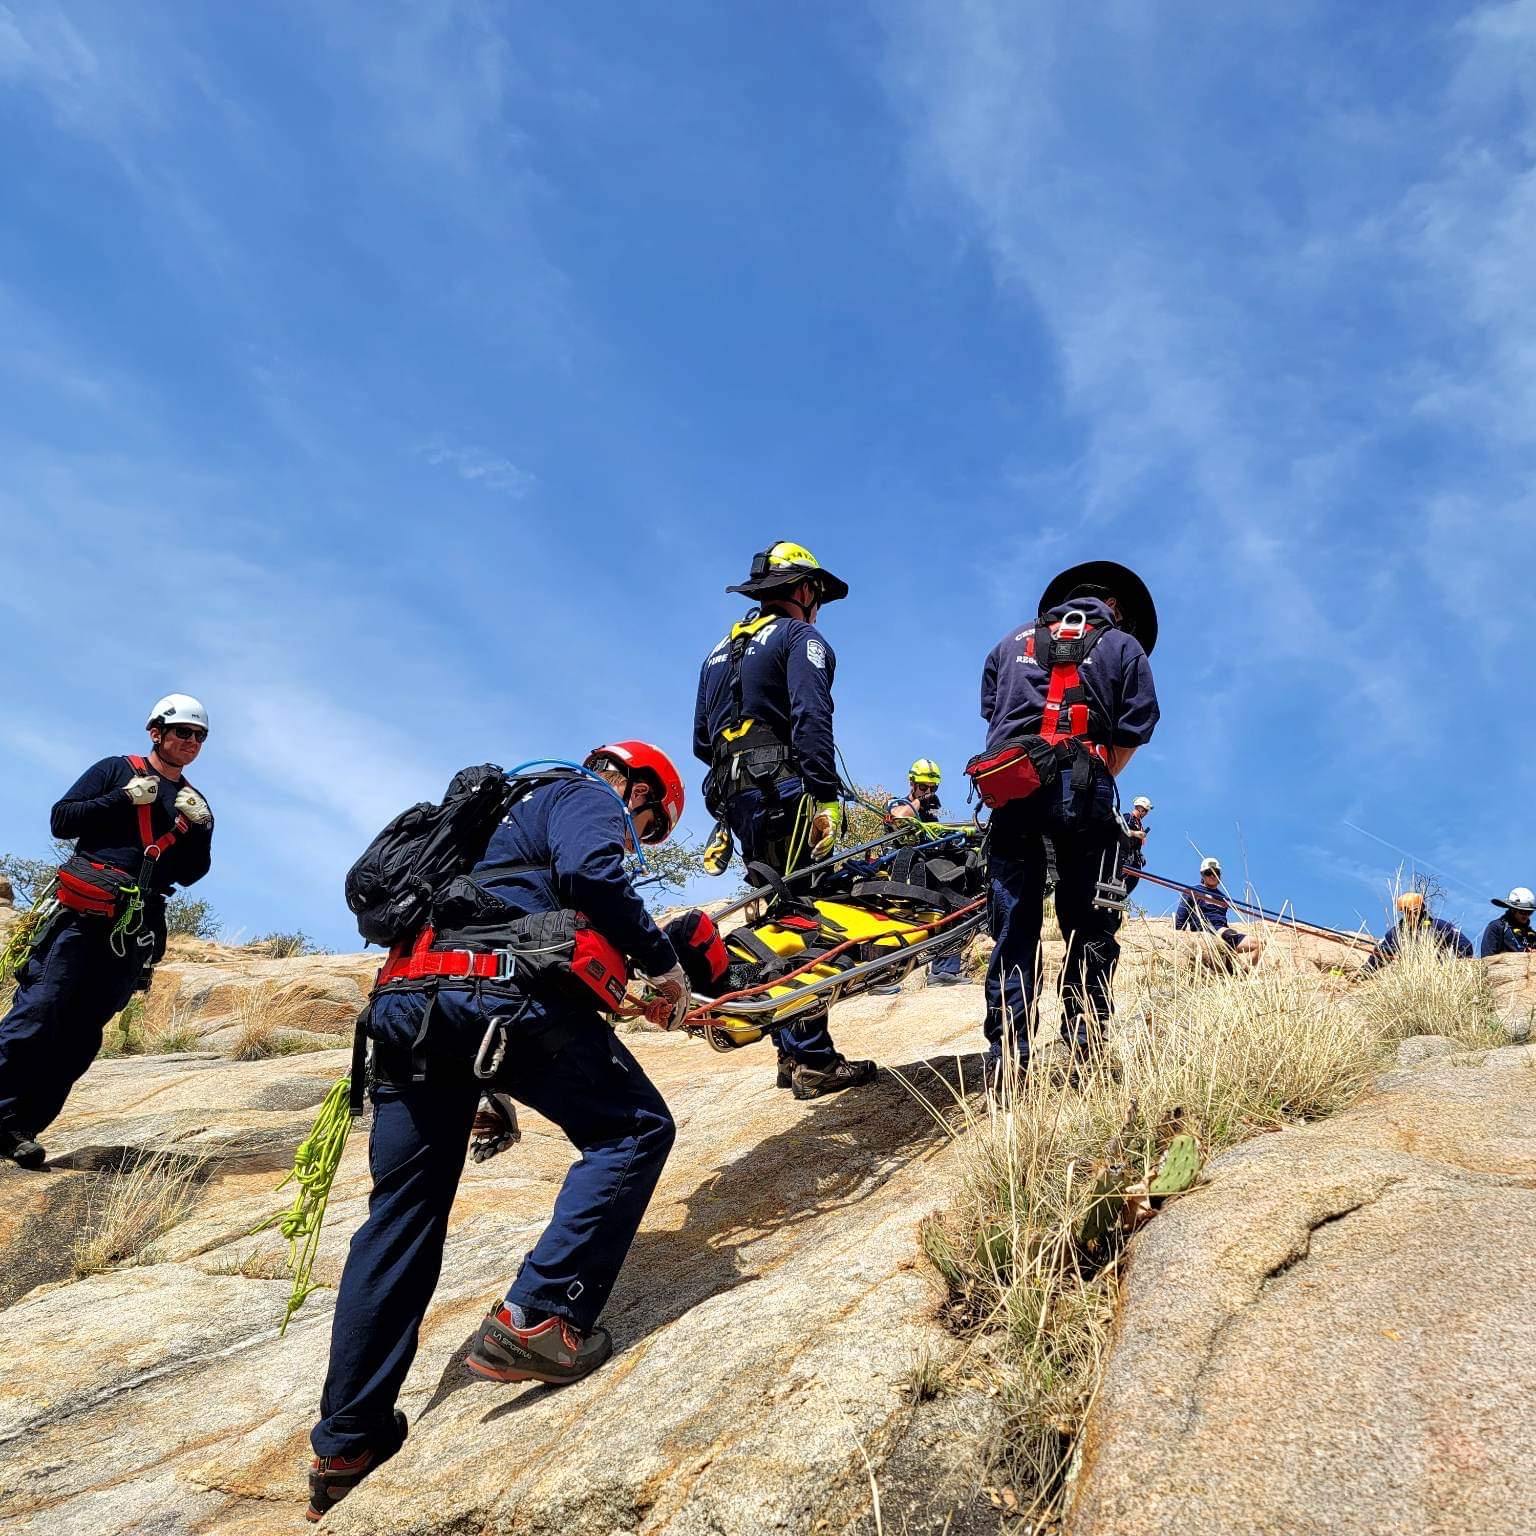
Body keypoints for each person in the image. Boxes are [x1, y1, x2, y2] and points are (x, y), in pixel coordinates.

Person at [307, 741, 691, 1521]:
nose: (636, 840)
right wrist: (664, 965)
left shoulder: (480, 820)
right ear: (639, 790)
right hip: (493, 999)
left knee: (401, 1219)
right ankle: (543, 1317)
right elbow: (591, 874)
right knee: (635, 1130)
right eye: (646, 827)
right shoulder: (586, 793)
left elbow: (486, 918)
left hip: (405, 1011)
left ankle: (347, 1442)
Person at [693, 541, 875, 1100]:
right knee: (806, 915)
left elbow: (703, 741)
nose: (818, 605)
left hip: (736, 794)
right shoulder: (802, 639)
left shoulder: (720, 650)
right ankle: (813, 1060)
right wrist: (823, 794)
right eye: (816, 594)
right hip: (786, 788)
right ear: (803, 590)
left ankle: (792, 1055)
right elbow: (811, 715)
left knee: (777, 911)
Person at [0, 695, 214, 1170]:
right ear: (156, 731)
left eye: (199, 736)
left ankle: (21, 1129)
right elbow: (62, 820)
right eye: (182, 732)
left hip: (133, 927)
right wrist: (121, 799)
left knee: (82, 1033)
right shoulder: (117, 770)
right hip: (81, 913)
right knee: (39, 1008)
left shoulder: (192, 803)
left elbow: (193, 873)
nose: (191, 742)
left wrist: (200, 827)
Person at [978, 560, 1160, 1079]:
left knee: (1015, 924)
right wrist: (1096, 767)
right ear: (1116, 608)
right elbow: (1137, 723)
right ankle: (1084, 1044)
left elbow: (996, 714)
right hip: (1087, 793)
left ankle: (1007, 1058)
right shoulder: (1124, 647)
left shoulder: (1008, 643)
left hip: (1011, 789)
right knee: (1090, 920)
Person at [1364, 891, 1473, 970]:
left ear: (1422, 908)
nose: (1412, 914)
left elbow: (1464, 944)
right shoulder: (1396, 933)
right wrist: (1365, 972)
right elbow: (1381, 953)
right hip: (1409, 976)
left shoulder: (1439, 926)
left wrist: (1461, 964)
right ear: (1403, 912)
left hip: (1439, 971)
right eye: (1407, 911)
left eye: (1415, 910)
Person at [1173, 857, 1259, 957]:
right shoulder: (1192, 891)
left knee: (1257, 944)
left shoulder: (1223, 898)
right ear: (1202, 875)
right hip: (1204, 930)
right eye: (1208, 872)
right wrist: (1179, 938)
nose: (1213, 875)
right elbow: (1181, 916)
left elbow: (1222, 919)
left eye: (1216, 872)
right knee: (1229, 934)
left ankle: (1244, 971)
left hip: (1224, 933)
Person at [1479, 887, 1535, 957]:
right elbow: (1486, 958)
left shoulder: (1532, 935)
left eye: (1530, 912)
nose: (1526, 915)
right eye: (1523, 911)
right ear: (1513, 910)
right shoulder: (1497, 927)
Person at [1122, 795, 1152, 895]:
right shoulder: (1128, 817)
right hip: (1125, 858)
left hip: (1134, 860)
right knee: (1121, 882)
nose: (1146, 813)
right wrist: (1135, 833)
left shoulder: (1139, 824)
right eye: (1145, 810)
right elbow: (1119, 831)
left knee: (1130, 884)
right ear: (1139, 808)